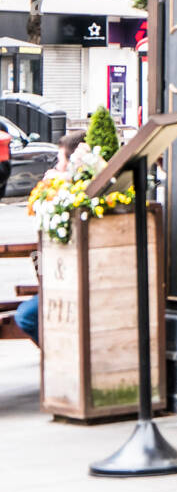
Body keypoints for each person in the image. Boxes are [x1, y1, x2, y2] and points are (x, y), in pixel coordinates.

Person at [14, 130, 85, 346]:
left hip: (73, 283)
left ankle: (62, 356)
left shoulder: (74, 193)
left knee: (27, 316)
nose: (56, 167)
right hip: (66, 279)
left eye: (59, 160)